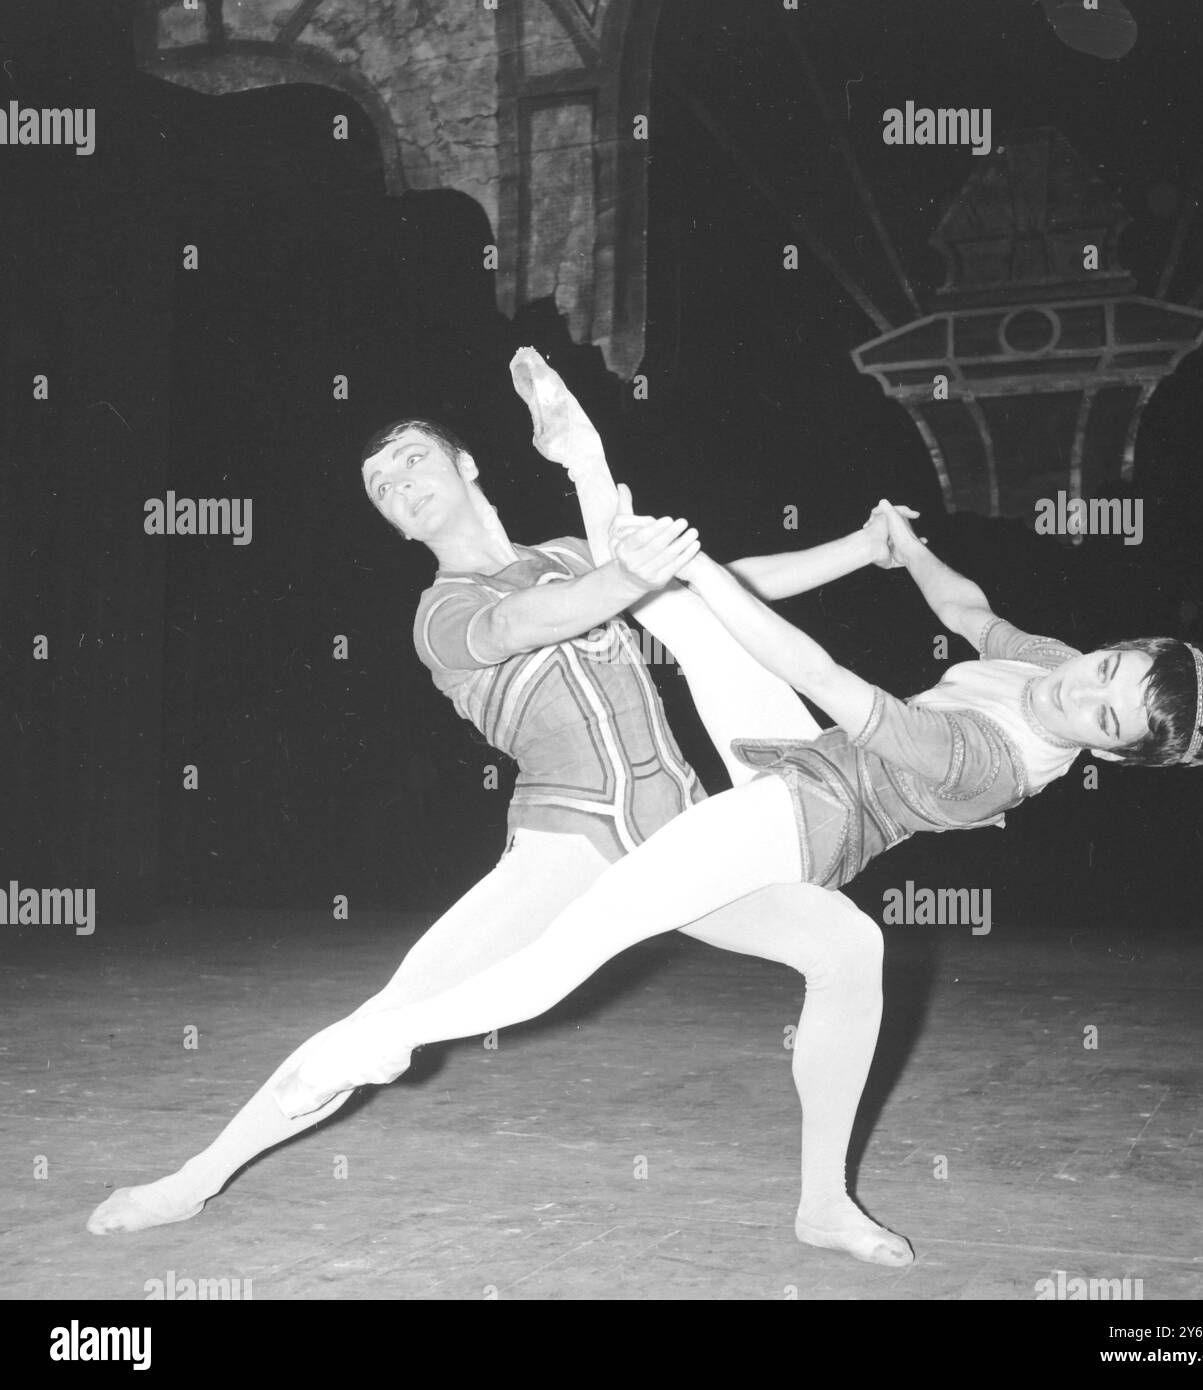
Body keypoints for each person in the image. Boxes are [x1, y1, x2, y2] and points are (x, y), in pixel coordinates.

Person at [87, 352, 923, 1267]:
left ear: (465, 467)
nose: (399, 482)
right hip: (566, 851)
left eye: (411, 459)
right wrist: (623, 570)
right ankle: (195, 1178)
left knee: (847, 945)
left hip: (679, 837)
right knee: (388, 1023)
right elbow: (531, 623)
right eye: (380, 484)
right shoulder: (441, 612)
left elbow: (728, 587)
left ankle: (822, 1203)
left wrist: (861, 547)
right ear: (390, 521)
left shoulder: (568, 555)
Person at [271, 451, 1203, 1165]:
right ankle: (592, 475)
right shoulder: (1055, 667)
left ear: (1111, 750)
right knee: (683, 617)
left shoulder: (992, 762)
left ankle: (375, 1043)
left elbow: (822, 675)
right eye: (1106, 666)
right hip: (796, 758)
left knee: (591, 927)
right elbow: (972, 615)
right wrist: (899, 552)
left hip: (806, 821)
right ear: (1118, 644)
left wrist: (689, 568)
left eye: (1102, 716)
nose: (1082, 691)